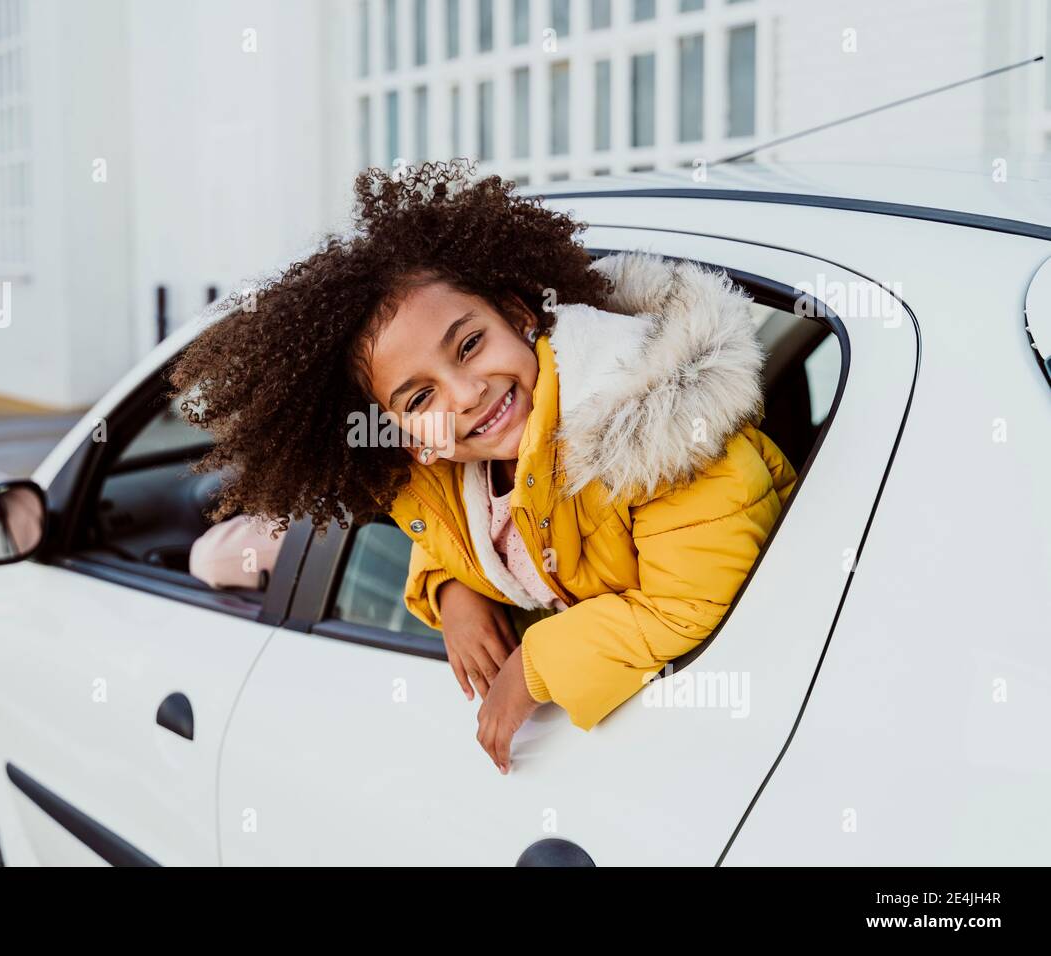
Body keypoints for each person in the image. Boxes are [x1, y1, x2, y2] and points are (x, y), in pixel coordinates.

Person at [167, 158, 796, 773]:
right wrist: (453, 592)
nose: (466, 394)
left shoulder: (663, 438)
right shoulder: (450, 469)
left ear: (520, 316)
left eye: (469, 345)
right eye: (420, 397)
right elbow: (442, 534)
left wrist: (532, 667)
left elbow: (684, 608)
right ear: (400, 431)